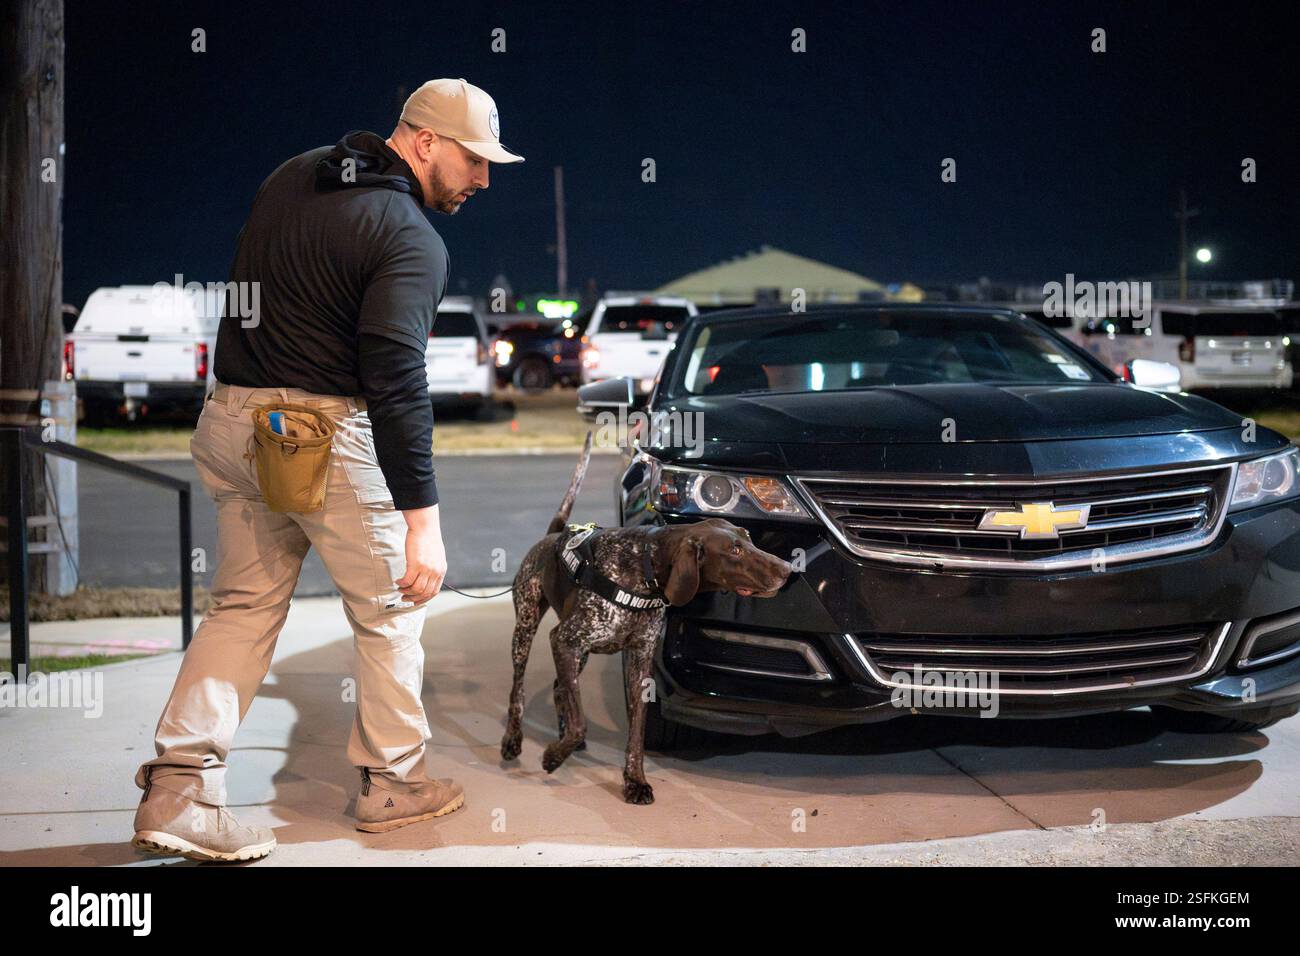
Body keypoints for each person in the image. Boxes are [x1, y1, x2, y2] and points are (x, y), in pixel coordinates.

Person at [130, 78, 524, 862]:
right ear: (421, 142)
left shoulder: (292, 174)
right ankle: (392, 780)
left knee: (243, 605)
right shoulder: (413, 237)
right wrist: (424, 524)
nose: (483, 178)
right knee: (391, 608)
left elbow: (247, 291)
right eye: (473, 158)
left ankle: (179, 788)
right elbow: (395, 378)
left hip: (232, 415)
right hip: (322, 431)